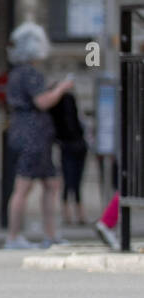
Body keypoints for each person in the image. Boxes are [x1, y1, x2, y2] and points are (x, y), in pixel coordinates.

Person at [3, 22, 73, 250]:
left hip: (26, 131)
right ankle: (14, 237)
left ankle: (50, 234)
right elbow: (42, 102)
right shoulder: (30, 73)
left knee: (51, 183)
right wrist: (61, 88)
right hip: (33, 134)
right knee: (23, 187)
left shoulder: (15, 73)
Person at [50, 86, 89, 226]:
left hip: (71, 145)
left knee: (71, 180)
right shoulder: (64, 103)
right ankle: (74, 213)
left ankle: (72, 213)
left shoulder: (61, 104)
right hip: (74, 145)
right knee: (72, 181)